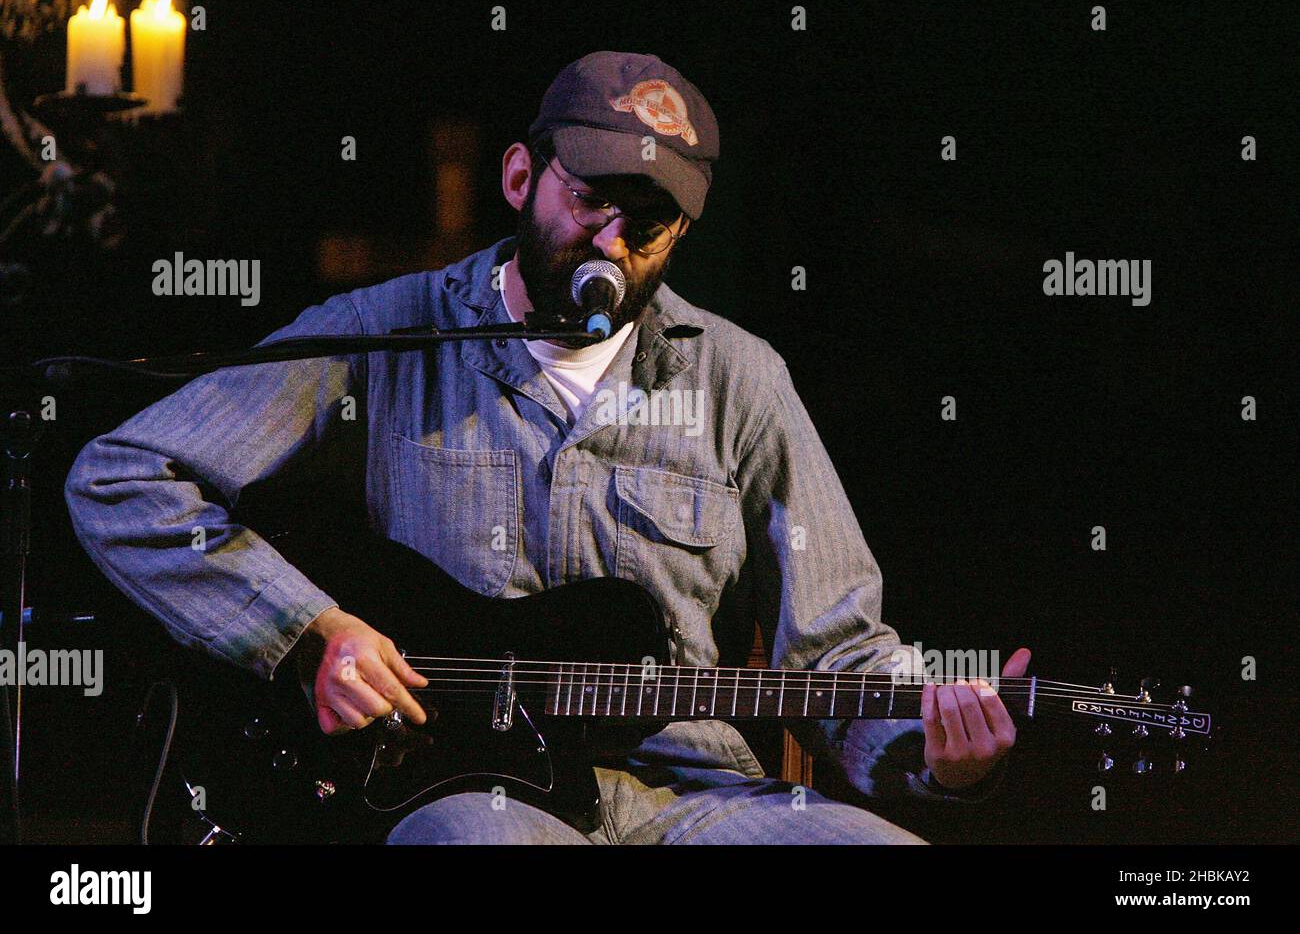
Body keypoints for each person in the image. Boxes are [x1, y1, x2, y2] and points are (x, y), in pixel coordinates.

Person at [65, 51, 1024, 845]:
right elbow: (126, 477)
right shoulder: (387, 333)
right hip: (469, 793)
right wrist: (307, 629)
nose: (611, 241)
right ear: (523, 178)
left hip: (695, 796)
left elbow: (839, 653)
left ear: (682, 233)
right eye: (591, 199)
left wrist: (933, 748)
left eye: (647, 225)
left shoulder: (742, 378)